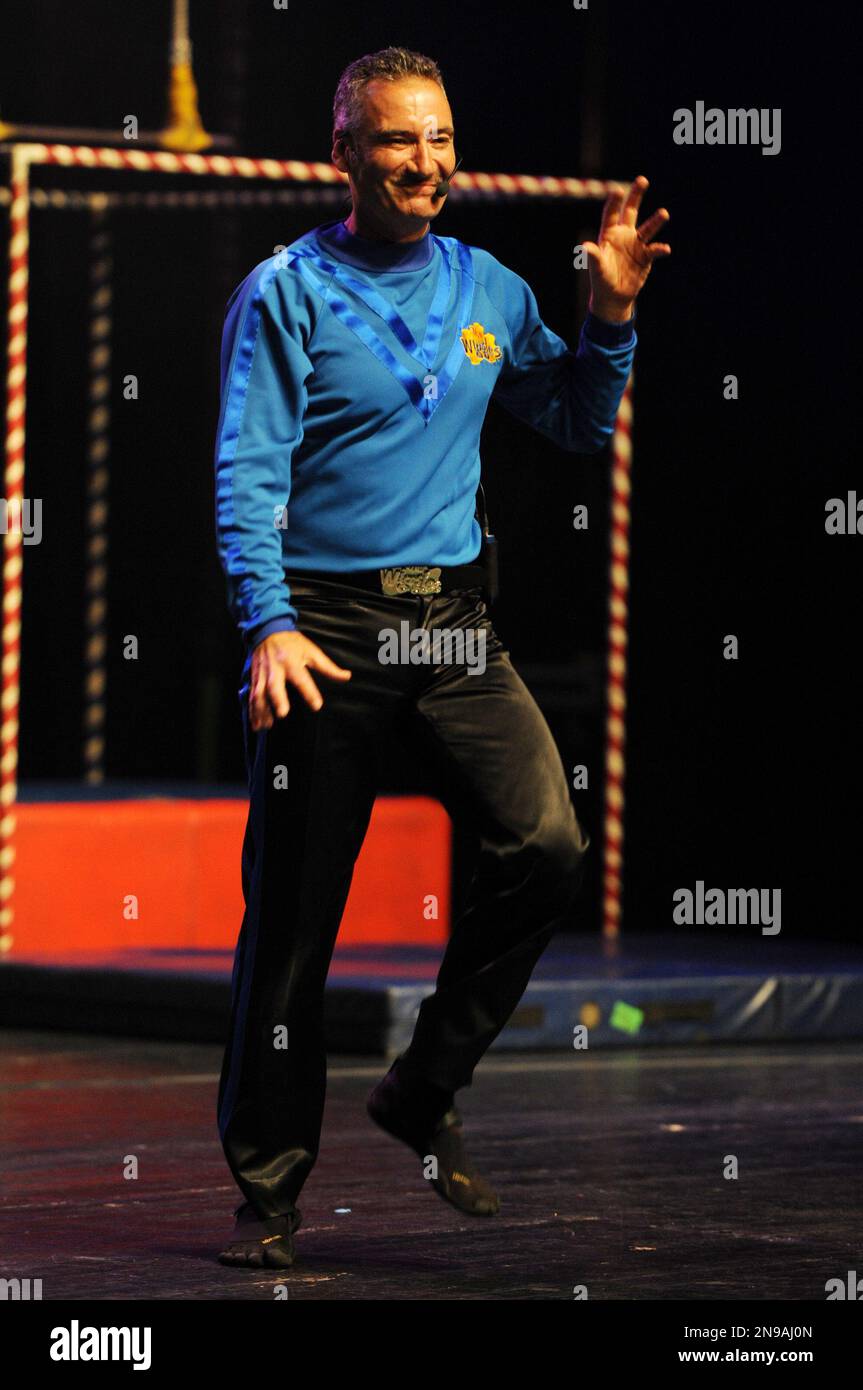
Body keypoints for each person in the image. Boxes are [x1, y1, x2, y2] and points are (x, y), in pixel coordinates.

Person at [213, 45, 670, 1268]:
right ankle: (268, 1197)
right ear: (345, 156)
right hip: (328, 628)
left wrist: (609, 317)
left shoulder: (488, 287)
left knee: (549, 844)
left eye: (439, 139)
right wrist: (268, 623)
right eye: (399, 141)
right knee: (295, 928)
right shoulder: (284, 292)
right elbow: (246, 477)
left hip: (451, 624)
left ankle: (421, 1088)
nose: (427, 162)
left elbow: (572, 417)